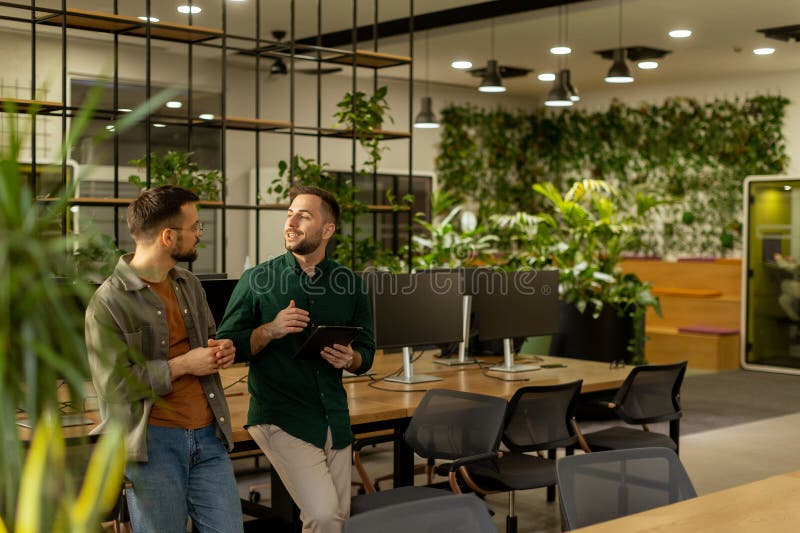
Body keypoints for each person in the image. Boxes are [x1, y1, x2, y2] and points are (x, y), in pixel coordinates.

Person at [85, 185, 244, 533]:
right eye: (195, 227)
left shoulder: (189, 283)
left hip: (209, 435)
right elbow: (114, 386)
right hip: (152, 446)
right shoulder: (108, 303)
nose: (199, 235)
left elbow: (209, 339)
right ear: (169, 236)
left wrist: (222, 351)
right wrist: (184, 364)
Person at [217, 185, 375, 533]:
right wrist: (270, 330)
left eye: (304, 215)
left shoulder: (350, 283)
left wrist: (350, 358)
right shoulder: (257, 279)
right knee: (323, 516)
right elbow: (225, 346)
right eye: (289, 214)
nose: (292, 222)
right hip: (280, 416)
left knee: (338, 520)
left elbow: (367, 353)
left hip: (334, 416)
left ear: (327, 230)